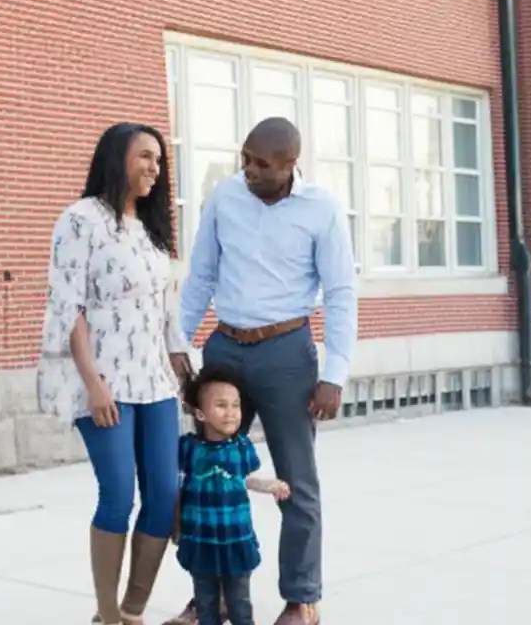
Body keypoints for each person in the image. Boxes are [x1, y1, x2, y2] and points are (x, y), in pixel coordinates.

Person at [167, 117, 358, 625]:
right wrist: (178, 341)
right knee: (209, 475)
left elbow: (340, 293)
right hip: (226, 347)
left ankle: (301, 599)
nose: (249, 169)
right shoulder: (224, 198)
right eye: (245, 158)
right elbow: (201, 273)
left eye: (262, 163)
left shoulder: (321, 209)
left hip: (287, 353)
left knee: (296, 482)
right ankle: (215, 596)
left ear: (291, 165)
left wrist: (334, 372)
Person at [36, 122, 194, 625]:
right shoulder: (80, 220)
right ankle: (106, 615)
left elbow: (165, 311)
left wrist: (183, 370)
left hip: (155, 384)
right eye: (145, 156)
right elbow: (68, 307)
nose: (155, 168)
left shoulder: (151, 230)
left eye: (159, 160)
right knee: (119, 492)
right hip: (103, 384)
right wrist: (93, 383)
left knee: (165, 495)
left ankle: (129, 611)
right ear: (117, 157)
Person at [175, 364, 290, 625]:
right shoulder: (189, 448)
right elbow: (178, 485)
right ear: (200, 414)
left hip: (235, 537)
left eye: (235, 405)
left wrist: (270, 485)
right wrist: (176, 523)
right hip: (200, 539)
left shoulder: (241, 447)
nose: (231, 413)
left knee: (239, 602)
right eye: (221, 405)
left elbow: (243, 479)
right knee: (205, 602)